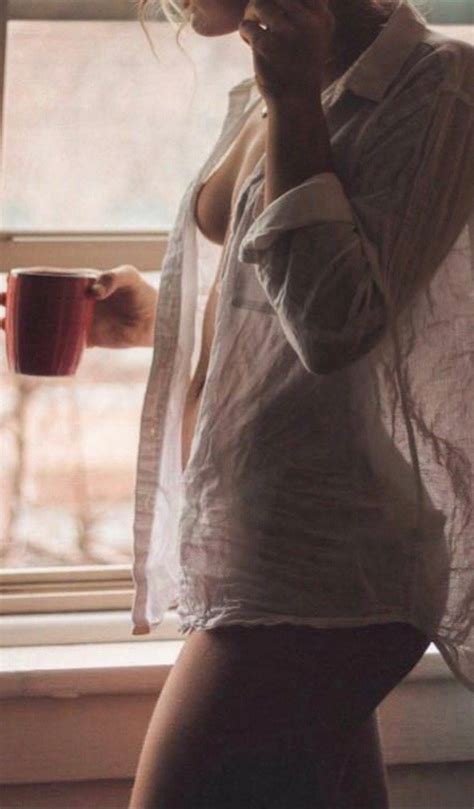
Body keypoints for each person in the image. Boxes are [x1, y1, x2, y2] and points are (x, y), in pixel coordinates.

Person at [1, 0, 473, 806]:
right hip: (267, 542)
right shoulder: (287, 79)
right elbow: (285, 320)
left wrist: (293, 102)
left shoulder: (436, 85)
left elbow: (335, 322)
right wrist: (153, 321)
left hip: (328, 561)